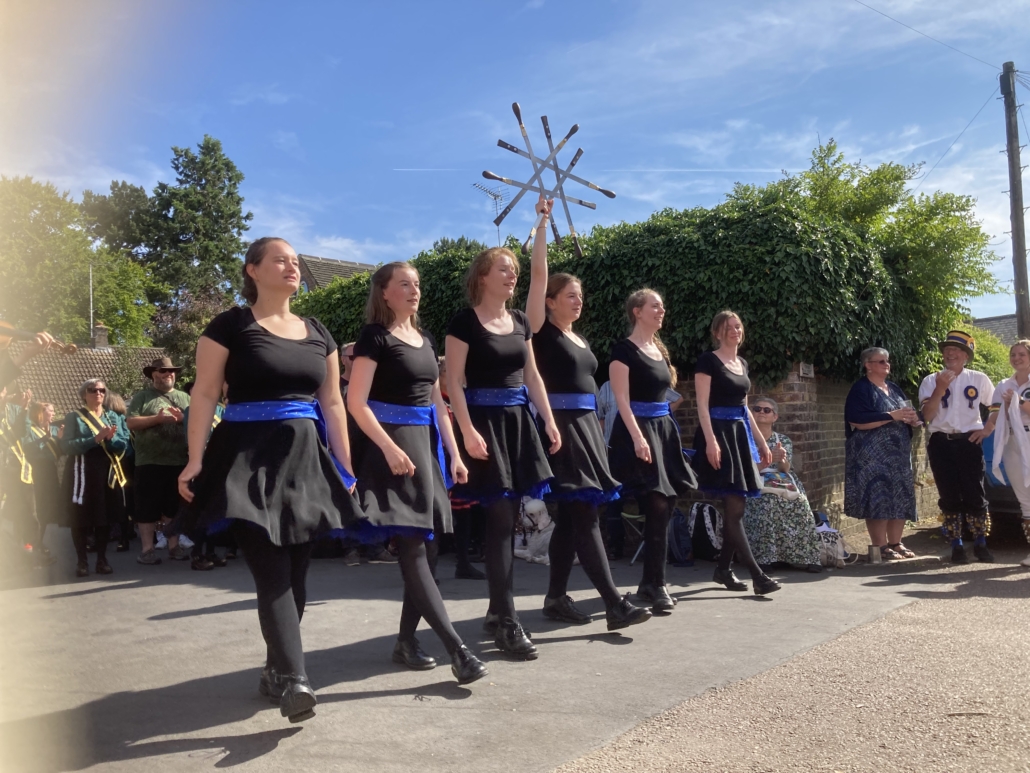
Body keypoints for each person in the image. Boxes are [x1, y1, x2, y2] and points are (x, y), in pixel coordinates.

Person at [178, 236, 363, 724]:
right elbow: (204, 393)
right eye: (280, 260)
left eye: (295, 261)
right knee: (273, 571)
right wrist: (195, 458)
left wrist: (345, 469)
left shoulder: (318, 331)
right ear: (253, 270)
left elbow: (333, 404)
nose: (291, 267)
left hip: (304, 462)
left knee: (296, 575)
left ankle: (275, 669)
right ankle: (297, 680)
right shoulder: (230, 325)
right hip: (245, 459)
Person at [348, 262, 489, 684]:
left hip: (425, 449)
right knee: (412, 548)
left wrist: (455, 454)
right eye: (404, 284)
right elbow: (356, 402)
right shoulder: (374, 337)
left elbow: (436, 404)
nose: (414, 290)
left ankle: (406, 642)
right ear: (384, 292)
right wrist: (388, 448)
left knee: (426, 552)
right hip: (390, 448)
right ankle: (457, 649)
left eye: (417, 284)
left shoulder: (425, 339)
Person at [525, 198, 651, 631]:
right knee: (582, 515)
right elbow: (537, 274)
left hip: (587, 429)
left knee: (573, 517)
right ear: (550, 301)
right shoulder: (540, 330)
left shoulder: (579, 338)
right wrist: (542, 224)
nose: (578, 301)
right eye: (570, 295)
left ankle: (555, 598)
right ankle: (614, 604)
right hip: (559, 427)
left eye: (580, 296)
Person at [446, 245, 558, 659]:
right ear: (482, 277)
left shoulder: (521, 322)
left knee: (508, 520)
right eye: (503, 269)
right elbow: (453, 382)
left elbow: (532, 375)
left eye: (514, 270)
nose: (512, 275)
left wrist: (548, 420)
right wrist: (467, 431)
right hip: (484, 424)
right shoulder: (464, 322)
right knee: (498, 521)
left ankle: (497, 611)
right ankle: (507, 622)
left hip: (517, 424)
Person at [608, 289, 698, 612]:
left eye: (662, 306)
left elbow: (667, 396)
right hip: (637, 430)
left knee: (667, 502)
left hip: (663, 430)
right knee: (657, 502)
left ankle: (650, 582)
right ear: (637, 311)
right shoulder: (623, 350)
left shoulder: (659, 351)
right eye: (655, 306)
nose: (661, 310)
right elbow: (621, 399)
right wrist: (637, 437)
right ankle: (655, 584)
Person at [693, 311, 779, 596]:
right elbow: (702, 405)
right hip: (718, 434)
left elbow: (745, 407)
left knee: (737, 505)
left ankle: (723, 569)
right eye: (728, 327)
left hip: (739, 437)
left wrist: (762, 442)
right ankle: (757, 575)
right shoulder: (708, 361)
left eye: (738, 326)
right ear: (717, 332)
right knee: (735, 505)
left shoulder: (742, 363)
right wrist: (710, 441)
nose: (735, 330)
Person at [918, 331, 995, 563]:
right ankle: (956, 545)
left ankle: (980, 543)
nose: (950, 353)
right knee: (948, 494)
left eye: (956, 349)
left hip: (970, 442)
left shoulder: (979, 378)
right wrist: (940, 388)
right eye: (947, 349)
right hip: (941, 442)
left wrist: (986, 430)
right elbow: (927, 416)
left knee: (975, 493)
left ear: (966, 356)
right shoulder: (931, 380)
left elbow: (996, 407)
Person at [843, 347, 920, 559]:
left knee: (899, 495)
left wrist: (913, 419)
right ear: (868, 365)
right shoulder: (861, 389)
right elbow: (857, 420)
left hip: (898, 455)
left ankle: (896, 543)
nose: (887, 364)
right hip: (872, 455)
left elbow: (906, 411)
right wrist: (891, 416)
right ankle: (880, 546)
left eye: (887, 361)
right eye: (881, 361)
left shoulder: (894, 388)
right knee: (878, 495)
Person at [597, 380, 682, 559]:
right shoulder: (606, 387)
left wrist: (660, 417)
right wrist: (601, 444)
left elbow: (677, 399)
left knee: (647, 496)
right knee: (614, 499)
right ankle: (615, 547)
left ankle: (648, 547)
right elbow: (601, 418)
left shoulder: (643, 381)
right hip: (615, 450)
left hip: (642, 450)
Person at [742, 397, 822, 572]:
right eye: (757, 409)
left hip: (780, 479)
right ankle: (766, 558)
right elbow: (746, 470)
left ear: (775, 417)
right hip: (755, 479)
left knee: (801, 503)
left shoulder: (783, 440)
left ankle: (807, 557)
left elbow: (785, 469)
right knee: (767, 501)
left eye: (767, 410)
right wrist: (768, 459)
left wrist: (782, 458)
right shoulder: (745, 439)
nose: (761, 412)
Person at [60, 379, 129, 577]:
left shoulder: (113, 416)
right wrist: (94, 439)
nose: (98, 393)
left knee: (103, 517)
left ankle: (101, 559)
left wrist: (111, 439)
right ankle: (82, 561)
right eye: (93, 390)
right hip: (81, 472)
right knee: (80, 518)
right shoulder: (75, 417)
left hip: (105, 472)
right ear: (84, 394)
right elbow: (66, 446)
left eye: (102, 390)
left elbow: (123, 444)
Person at [128, 357, 190, 565]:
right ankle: (147, 550)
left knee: (174, 507)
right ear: (153, 374)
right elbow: (131, 422)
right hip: (149, 461)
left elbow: (198, 423)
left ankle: (174, 546)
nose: (168, 374)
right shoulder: (143, 397)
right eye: (163, 371)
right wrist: (157, 419)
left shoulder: (185, 398)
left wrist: (183, 419)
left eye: (171, 371)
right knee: (146, 508)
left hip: (179, 461)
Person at [982, 339, 1030, 567]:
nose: (1016, 358)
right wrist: (984, 430)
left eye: (1021, 354)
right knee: (1024, 499)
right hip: (1012, 442)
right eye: (1013, 354)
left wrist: (1019, 401)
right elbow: (995, 414)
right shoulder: (1003, 384)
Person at [22, 401, 62, 562]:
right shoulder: (29, 430)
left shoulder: (54, 429)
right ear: (40, 412)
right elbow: (28, 451)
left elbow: (58, 453)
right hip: (36, 471)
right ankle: (32, 544)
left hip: (50, 471)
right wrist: (45, 439)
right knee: (37, 509)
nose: (53, 414)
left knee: (46, 510)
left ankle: (38, 542)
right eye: (50, 411)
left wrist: (60, 440)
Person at [103, 391, 136, 553]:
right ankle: (125, 532)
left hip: (118, 463)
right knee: (125, 499)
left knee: (118, 499)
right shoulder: (125, 418)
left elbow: (123, 444)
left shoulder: (116, 419)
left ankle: (121, 534)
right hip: (128, 464)